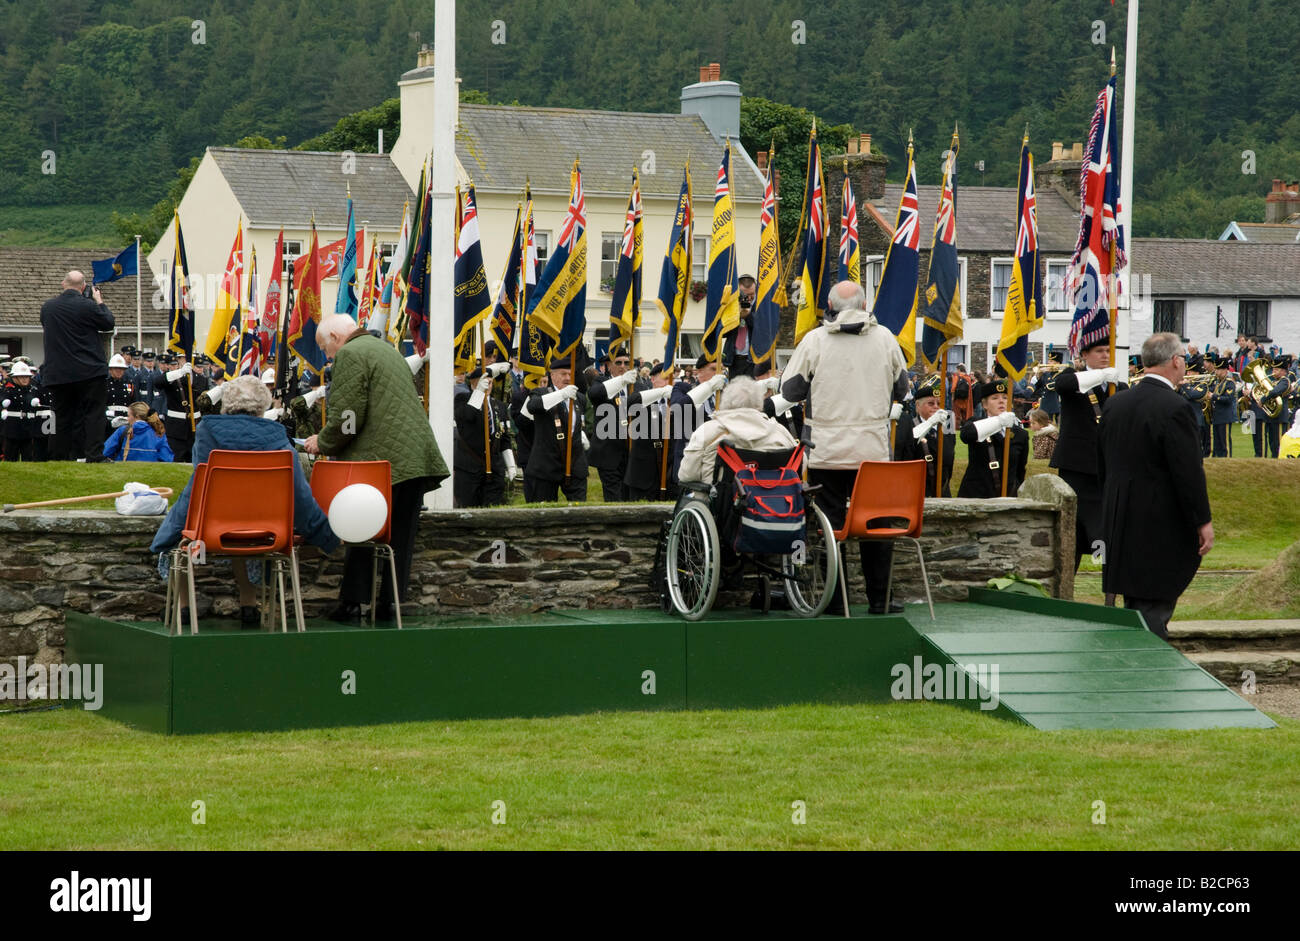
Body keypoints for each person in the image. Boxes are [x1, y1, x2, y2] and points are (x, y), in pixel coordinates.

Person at [151, 375, 339, 627]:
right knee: (239, 521)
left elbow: (198, 485)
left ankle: (184, 606)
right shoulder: (281, 440)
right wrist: (325, 534)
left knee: (201, 528)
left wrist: (169, 530)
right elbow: (300, 494)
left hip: (213, 526)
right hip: (268, 530)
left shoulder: (208, 431)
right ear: (263, 405)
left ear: (226, 403)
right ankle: (248, 601)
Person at [772, 280, 909, 615]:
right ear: (864, 306)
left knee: (828, 527)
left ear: (829, 307)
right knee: (876, 526)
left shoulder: (815, 342)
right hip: (872, 454)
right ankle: (880, 600)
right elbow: (904, 390)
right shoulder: (887, 339)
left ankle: (836, 600)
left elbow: (790, 392)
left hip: (826, 454)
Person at [303, 314, 449, 625]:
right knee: (400, 536)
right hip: (414, 457)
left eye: (323, 347)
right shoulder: (386, 349)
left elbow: (349, 418)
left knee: (360, 527)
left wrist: (322, 441)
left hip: (381, 462)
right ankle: (391, 603)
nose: (326, 356)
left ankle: (353, 603)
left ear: (334, 336)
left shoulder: (350, 354)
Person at [1098, 332, 1213, 639]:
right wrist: (1202, 520)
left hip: (1118, 519)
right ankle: (1146, 667)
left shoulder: (1115, 404)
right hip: (1158, 523)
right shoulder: (1175, 408)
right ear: (1175, 361)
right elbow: (1188, 472)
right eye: (1184, 361)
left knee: (1135, 603)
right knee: (1153, 608)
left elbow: (1103, 464)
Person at [1049, 339, 1125, 570]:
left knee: (1103, 534)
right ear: (1085, 355)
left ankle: (1108, 588)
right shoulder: (1076, 379)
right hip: (1077, 468)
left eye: (1107, 351)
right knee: (1071, 530)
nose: (1104, 356)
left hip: (1107, 470)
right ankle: (1063, 586)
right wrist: (1100, 376)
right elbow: (1062, 384)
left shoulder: (1118, 387)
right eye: (1099, 351)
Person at [39, 270, 115, 461]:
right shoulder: (88, 306)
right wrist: (99, 301)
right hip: (89, 371)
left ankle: (58, 456)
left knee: (61, 416)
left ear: (63, 284)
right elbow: (108, 323)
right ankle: (93, 454)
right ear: (83, 287)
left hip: (59, 372)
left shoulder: (48, 307)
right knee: (94, 414)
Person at [678, 376, 797, 484]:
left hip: (718, 501)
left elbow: (686, 474)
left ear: (726, 401)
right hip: (774, 500)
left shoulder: (708, 431)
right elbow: (800, 465)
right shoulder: (779, 431)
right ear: (759, 403)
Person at [522, 358, 589, 503]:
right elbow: (533, 406)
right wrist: (562, 395)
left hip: (574, 463)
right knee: (543, 514)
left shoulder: (579, 398)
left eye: (570, 374)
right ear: (552, 376)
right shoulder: (541, 392)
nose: (567, 378)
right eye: (563, 374)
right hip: (547, 464)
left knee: (580, 511)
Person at [452, 364, 515, 507]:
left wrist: (510, 465)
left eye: (491, 382)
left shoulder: (499, 406)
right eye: (484, 381)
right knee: (468, 509)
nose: (489, 385)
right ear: (474, 382)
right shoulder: (462, 399)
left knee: (492, 511)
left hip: (494, 469)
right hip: (469, 469)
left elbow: (504, 438)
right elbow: (468, 415)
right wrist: (479, 391)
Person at [957, 377, 1028, 498]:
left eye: (1005, 398)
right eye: (995, 398)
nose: (1001, 401)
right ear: (985, 404)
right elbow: (966, 435)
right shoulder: (976, 423)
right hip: (977, 496)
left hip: (1007, 497)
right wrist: (999, 421)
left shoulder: (1020, 434)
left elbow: (1020, 471)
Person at [587, 350, 640, 501]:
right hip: (609, 451)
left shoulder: (635, 385)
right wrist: (621, 380)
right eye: (618, 363)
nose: (623, 366)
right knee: (614, 499)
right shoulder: (602, 382)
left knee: (630, 498)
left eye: (626, 363)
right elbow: (595, 394)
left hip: (630, 450)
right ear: (609, 365)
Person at [623, 363, 678, 500]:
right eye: (665, 378)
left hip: (669, 471)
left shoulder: (676, 402)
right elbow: (629, 403)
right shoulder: (644, 397)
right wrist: (659, 392)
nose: (668, 382)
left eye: (671, 379)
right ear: (652, 379)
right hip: (643, 471)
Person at [893, 375, 954, 497]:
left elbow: (949, 460)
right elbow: (911, 439)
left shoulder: (947, 426)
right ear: (917, 406)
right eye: (931, 403)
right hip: (918, 491)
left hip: (942, 491)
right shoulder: (908, 424)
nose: (936, 407)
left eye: (939, 403)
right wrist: (930, 423)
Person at [103, 402, 173, 462]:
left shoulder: (123, 431)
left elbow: (104, 452)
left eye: (128, 415)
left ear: (136, 416)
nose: (127, 418)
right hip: (150, 473)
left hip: (124, 473)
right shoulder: (158, 432)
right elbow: (167, 459)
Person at [1, 361, 41, 462]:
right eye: (21, 376)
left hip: (27, 427)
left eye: (26, 376)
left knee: (27, 455)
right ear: (14, 378)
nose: (25, 379)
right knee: (11, 455)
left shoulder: (32, 388)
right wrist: (3, 409)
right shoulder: (8, 388)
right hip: (12, 427)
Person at [1263, 355, 1292, 459]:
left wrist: (1263, 399)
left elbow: (1275, 391)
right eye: (1273, 369)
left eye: (1276, 369)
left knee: (1278, 444)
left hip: (1280, 416)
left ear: (1284, 371)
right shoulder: (1274, 381)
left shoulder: (1285, 381)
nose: (1273, 371)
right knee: (1272, 444)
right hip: (1271, 417)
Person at [1209, 356, 1237, 457]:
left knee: (1225, 445)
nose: (1216, 372)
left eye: (1219, 369)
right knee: (1217, 445)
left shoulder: (1229, 383)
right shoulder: (1216, 382)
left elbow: (1228, 399)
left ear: (1225, 370)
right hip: (1216, 416)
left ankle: (1228, 463)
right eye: (1216, 369)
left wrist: (1213, 396)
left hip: (1225, 417)